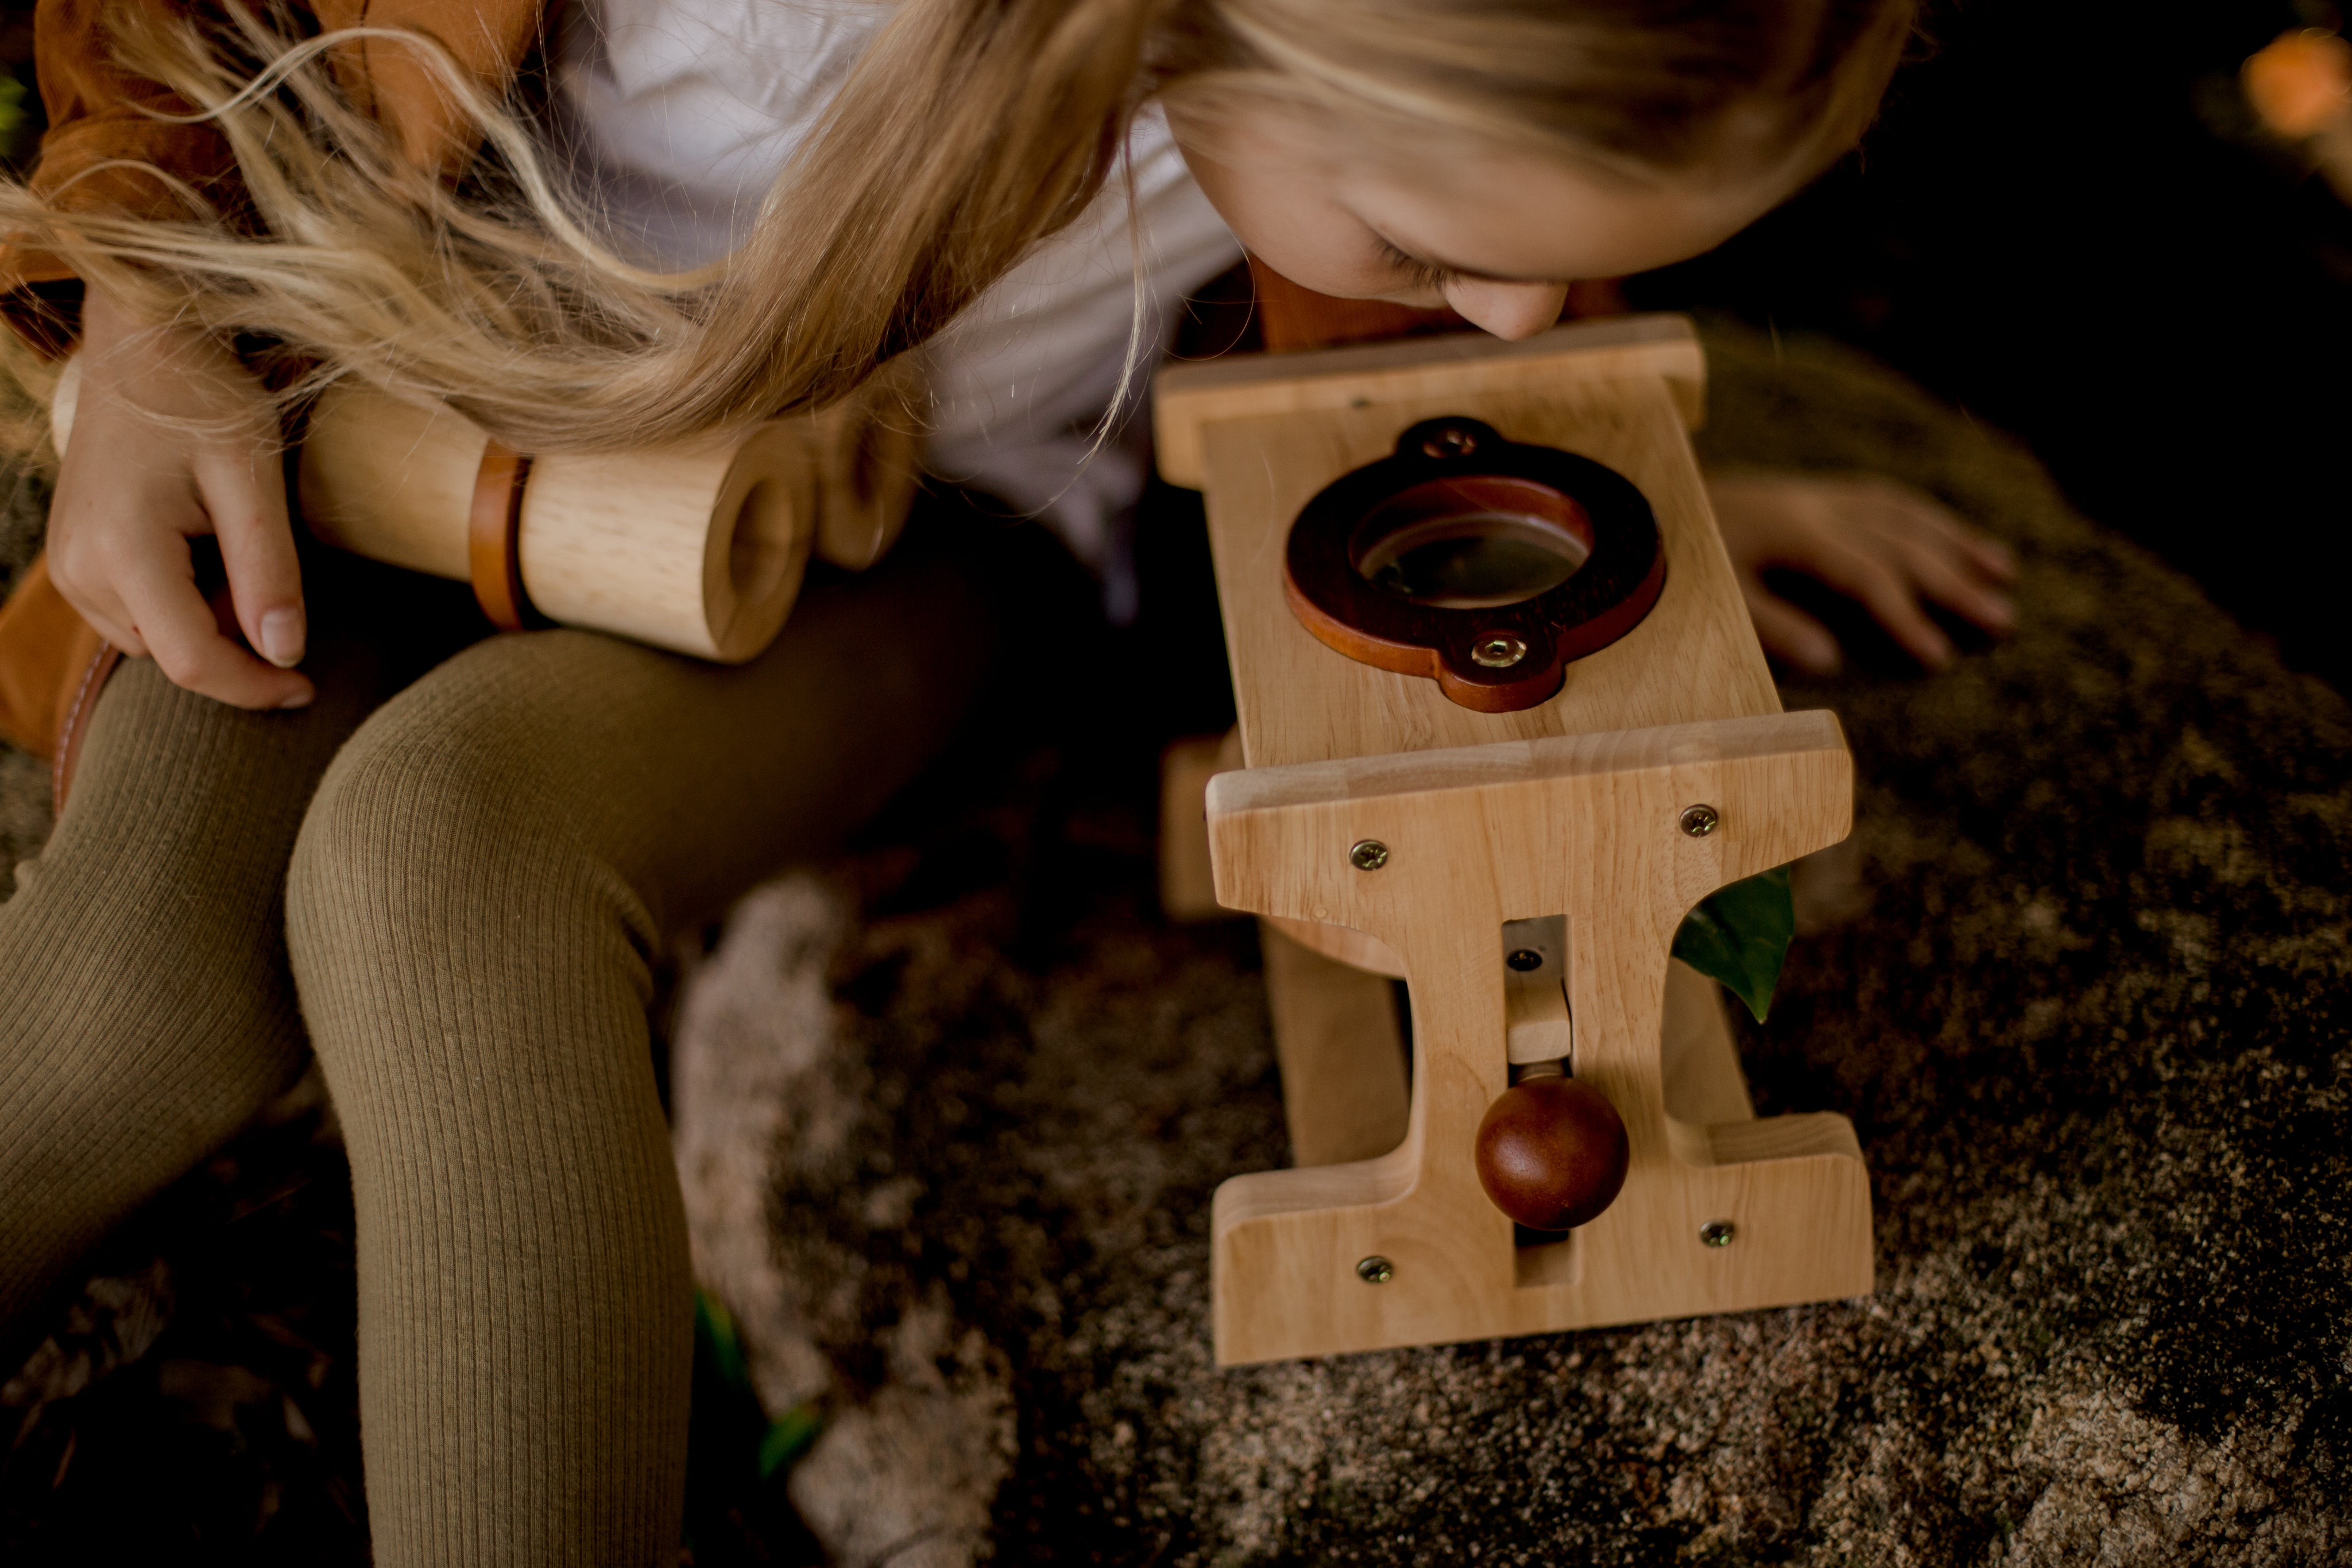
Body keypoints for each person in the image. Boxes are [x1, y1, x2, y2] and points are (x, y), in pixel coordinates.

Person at [0, 0, 2012, 1561]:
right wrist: (157, 309)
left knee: (441, 856)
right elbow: (202, 31)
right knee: (131, 996)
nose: (1504, 319)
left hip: (908, 548)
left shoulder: (1362, 121)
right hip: (381, 401)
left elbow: (1445, 365)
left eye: (1557, 280)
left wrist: (1599, 491)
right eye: (1433, 247)